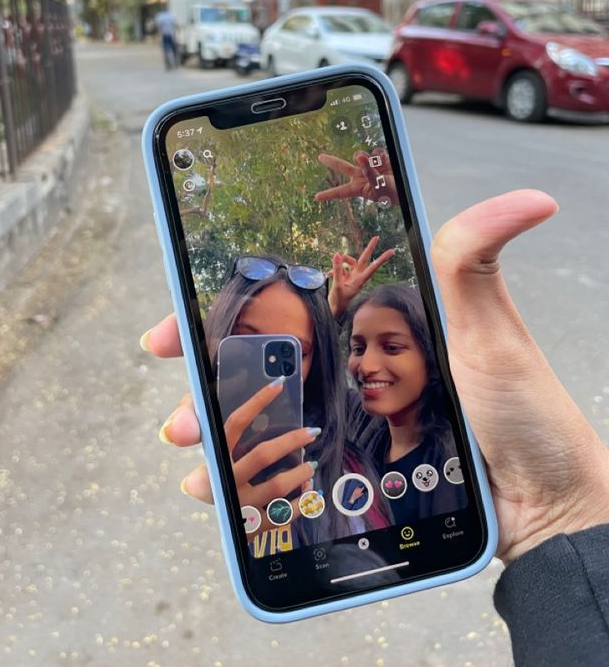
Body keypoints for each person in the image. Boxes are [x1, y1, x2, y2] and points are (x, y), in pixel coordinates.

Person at [141, 191, 609, 665]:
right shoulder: (354, 429)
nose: (272, 368)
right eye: (246, 342)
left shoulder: (355, 433)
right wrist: (267, 534)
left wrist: (567, 515)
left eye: (291, 352)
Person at [198, 254, 390, 551]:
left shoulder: (348, 426)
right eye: (248, 342)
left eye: (291, 354)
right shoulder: (195, 431)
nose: (265, 370)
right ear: (216, 336)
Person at [344, 284, 467, 525]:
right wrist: (336, 309)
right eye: (358, 348)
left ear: (432, 359)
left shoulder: (459, 454)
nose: (366, 366)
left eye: (391, 348)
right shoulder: (364, 426)